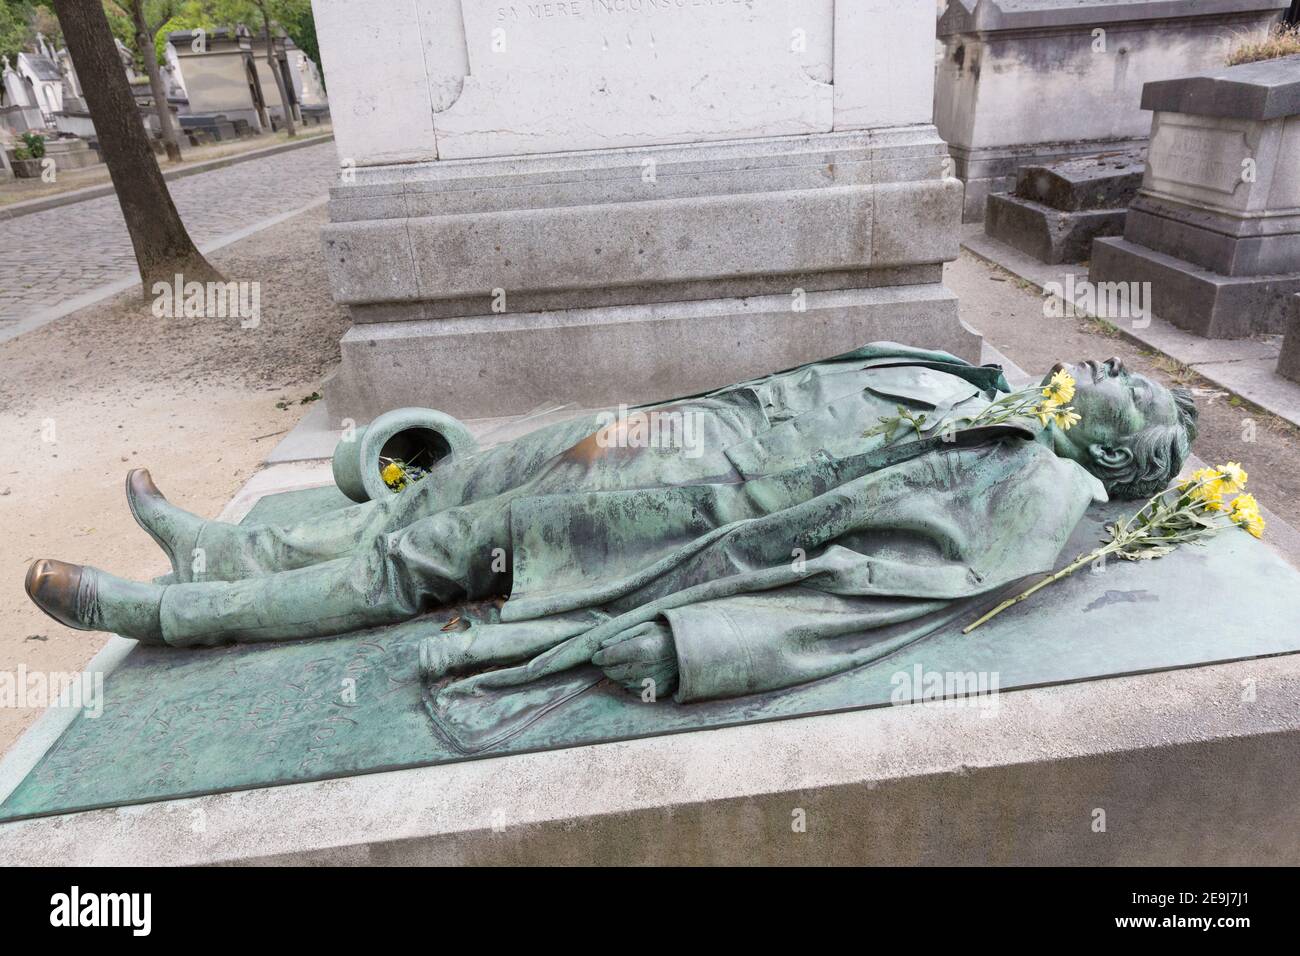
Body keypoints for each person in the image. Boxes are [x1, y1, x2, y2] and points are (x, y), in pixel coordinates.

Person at [26, 343, 1196, 716]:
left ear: (1115, 459)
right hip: (692, 429)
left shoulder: (1037, 491)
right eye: (1132, 370)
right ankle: (237, 549)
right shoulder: (969, 372)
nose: (1115, 371)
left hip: (692, 518)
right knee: (478, 474)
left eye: (1135, 398)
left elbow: (881, 593)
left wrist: (700, 644)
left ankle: (178, 613)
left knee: (433, 557)